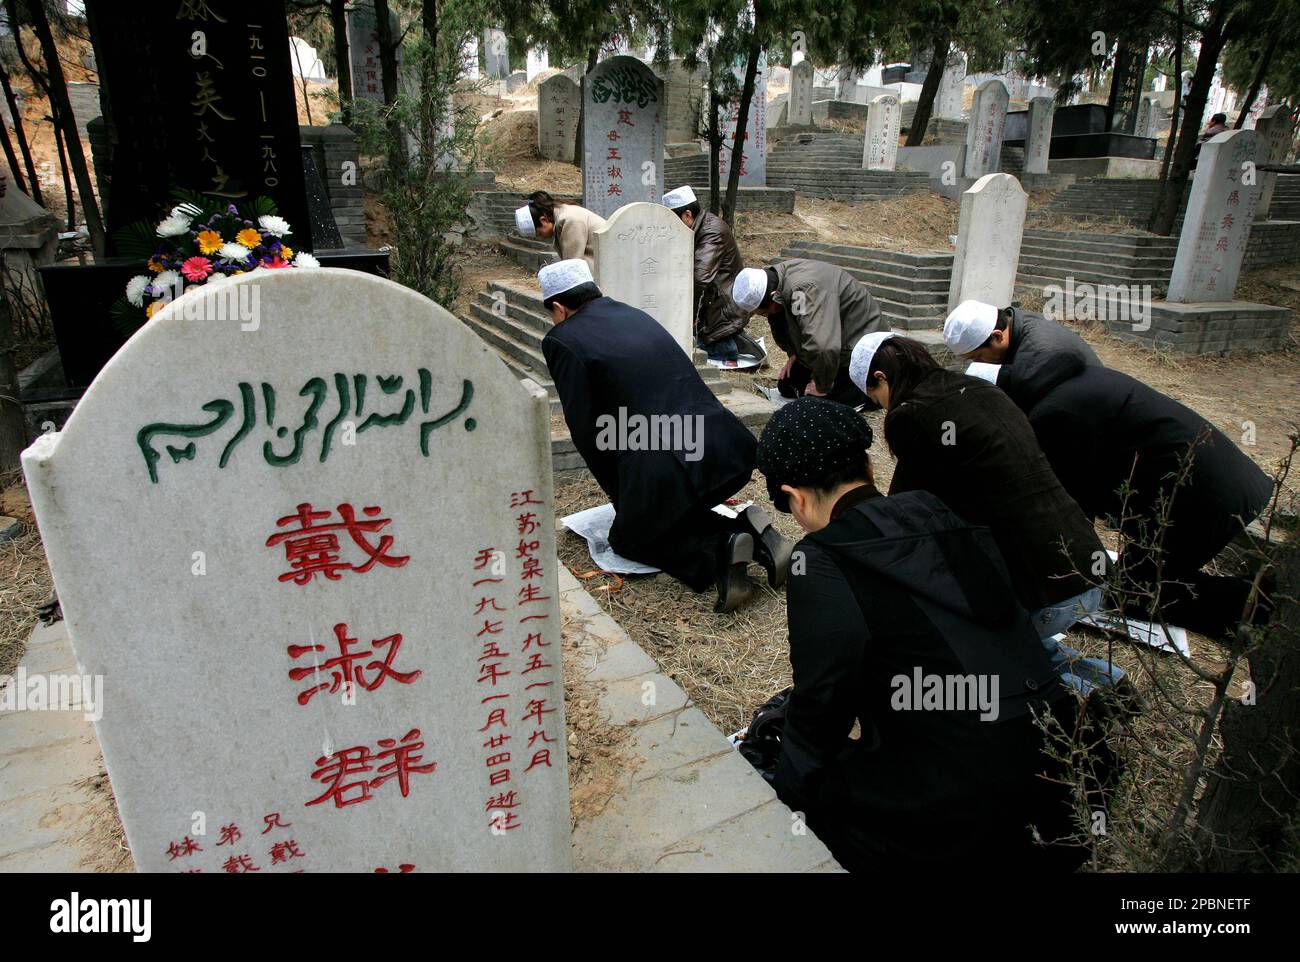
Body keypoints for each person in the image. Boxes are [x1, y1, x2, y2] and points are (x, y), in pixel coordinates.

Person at [755, 397, 1088, 872]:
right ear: (869, 465)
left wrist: (785, 792)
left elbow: (822, 708)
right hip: (1061, 796)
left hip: (960, 827)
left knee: (815, 778)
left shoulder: (824, 561)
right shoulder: (940, 512)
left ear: (796, 496)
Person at [850, 333, 1125, 694]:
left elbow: (907, 511)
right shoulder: (979, 388)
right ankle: (1109, 682)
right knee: (1024, 643)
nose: (882, 406)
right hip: (1086, 565)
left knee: (976, 660)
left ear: (882, 378)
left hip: (1046, 591)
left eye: (875, 396)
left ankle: (1081, 700)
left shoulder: (910, 415)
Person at [538, 259, 791, 611]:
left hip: (665, 462)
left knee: (632, 537)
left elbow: (585, 428)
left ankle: (724, 547)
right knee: (673, 514)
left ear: (558, 308)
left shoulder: (562, 339)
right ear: (595, 291)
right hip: (723, 450)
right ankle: (754, 534)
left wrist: (622, 495)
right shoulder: (631, 313)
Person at [967, 356, 1275, 639]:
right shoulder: (1068, 383)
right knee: (1134, 578)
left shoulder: (1056, 413)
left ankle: (1257, 604)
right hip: (1215, 486)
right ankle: (1255, 594)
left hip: (1204, 501)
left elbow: (1067, 507)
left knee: (1134, 592)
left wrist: (1061, 567)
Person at [732, 260, 888, 406]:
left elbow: (822, 346)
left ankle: (867, 394)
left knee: (816, 401)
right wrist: (794, 354)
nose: (765, 316)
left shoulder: (803, 290)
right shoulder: (777, 279)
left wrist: (822, 386)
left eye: (764, 313)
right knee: (787, 384)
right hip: (836, 345)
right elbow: (796, 324)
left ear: (773, 296)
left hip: (861, 350)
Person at [661, 185, 759, 367]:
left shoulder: (712, 232)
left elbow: (700, 278)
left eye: (672, 222)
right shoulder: (698, 227)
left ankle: (732, 345)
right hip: (713, 304)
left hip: (723, 309)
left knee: (695, 347)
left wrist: (686, 317)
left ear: (688, 215)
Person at [943, 299, 1100, 411]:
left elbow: (1024, 404)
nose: (978, 362)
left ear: (997, 336)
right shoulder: (1014, 320)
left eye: (977, 356)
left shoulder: (1038, 352)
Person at [514, 191, 607, 269]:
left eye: (539, 233)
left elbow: (573, 265)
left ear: (543, 220)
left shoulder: (570, 220)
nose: (542, 236)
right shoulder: (564, 213)